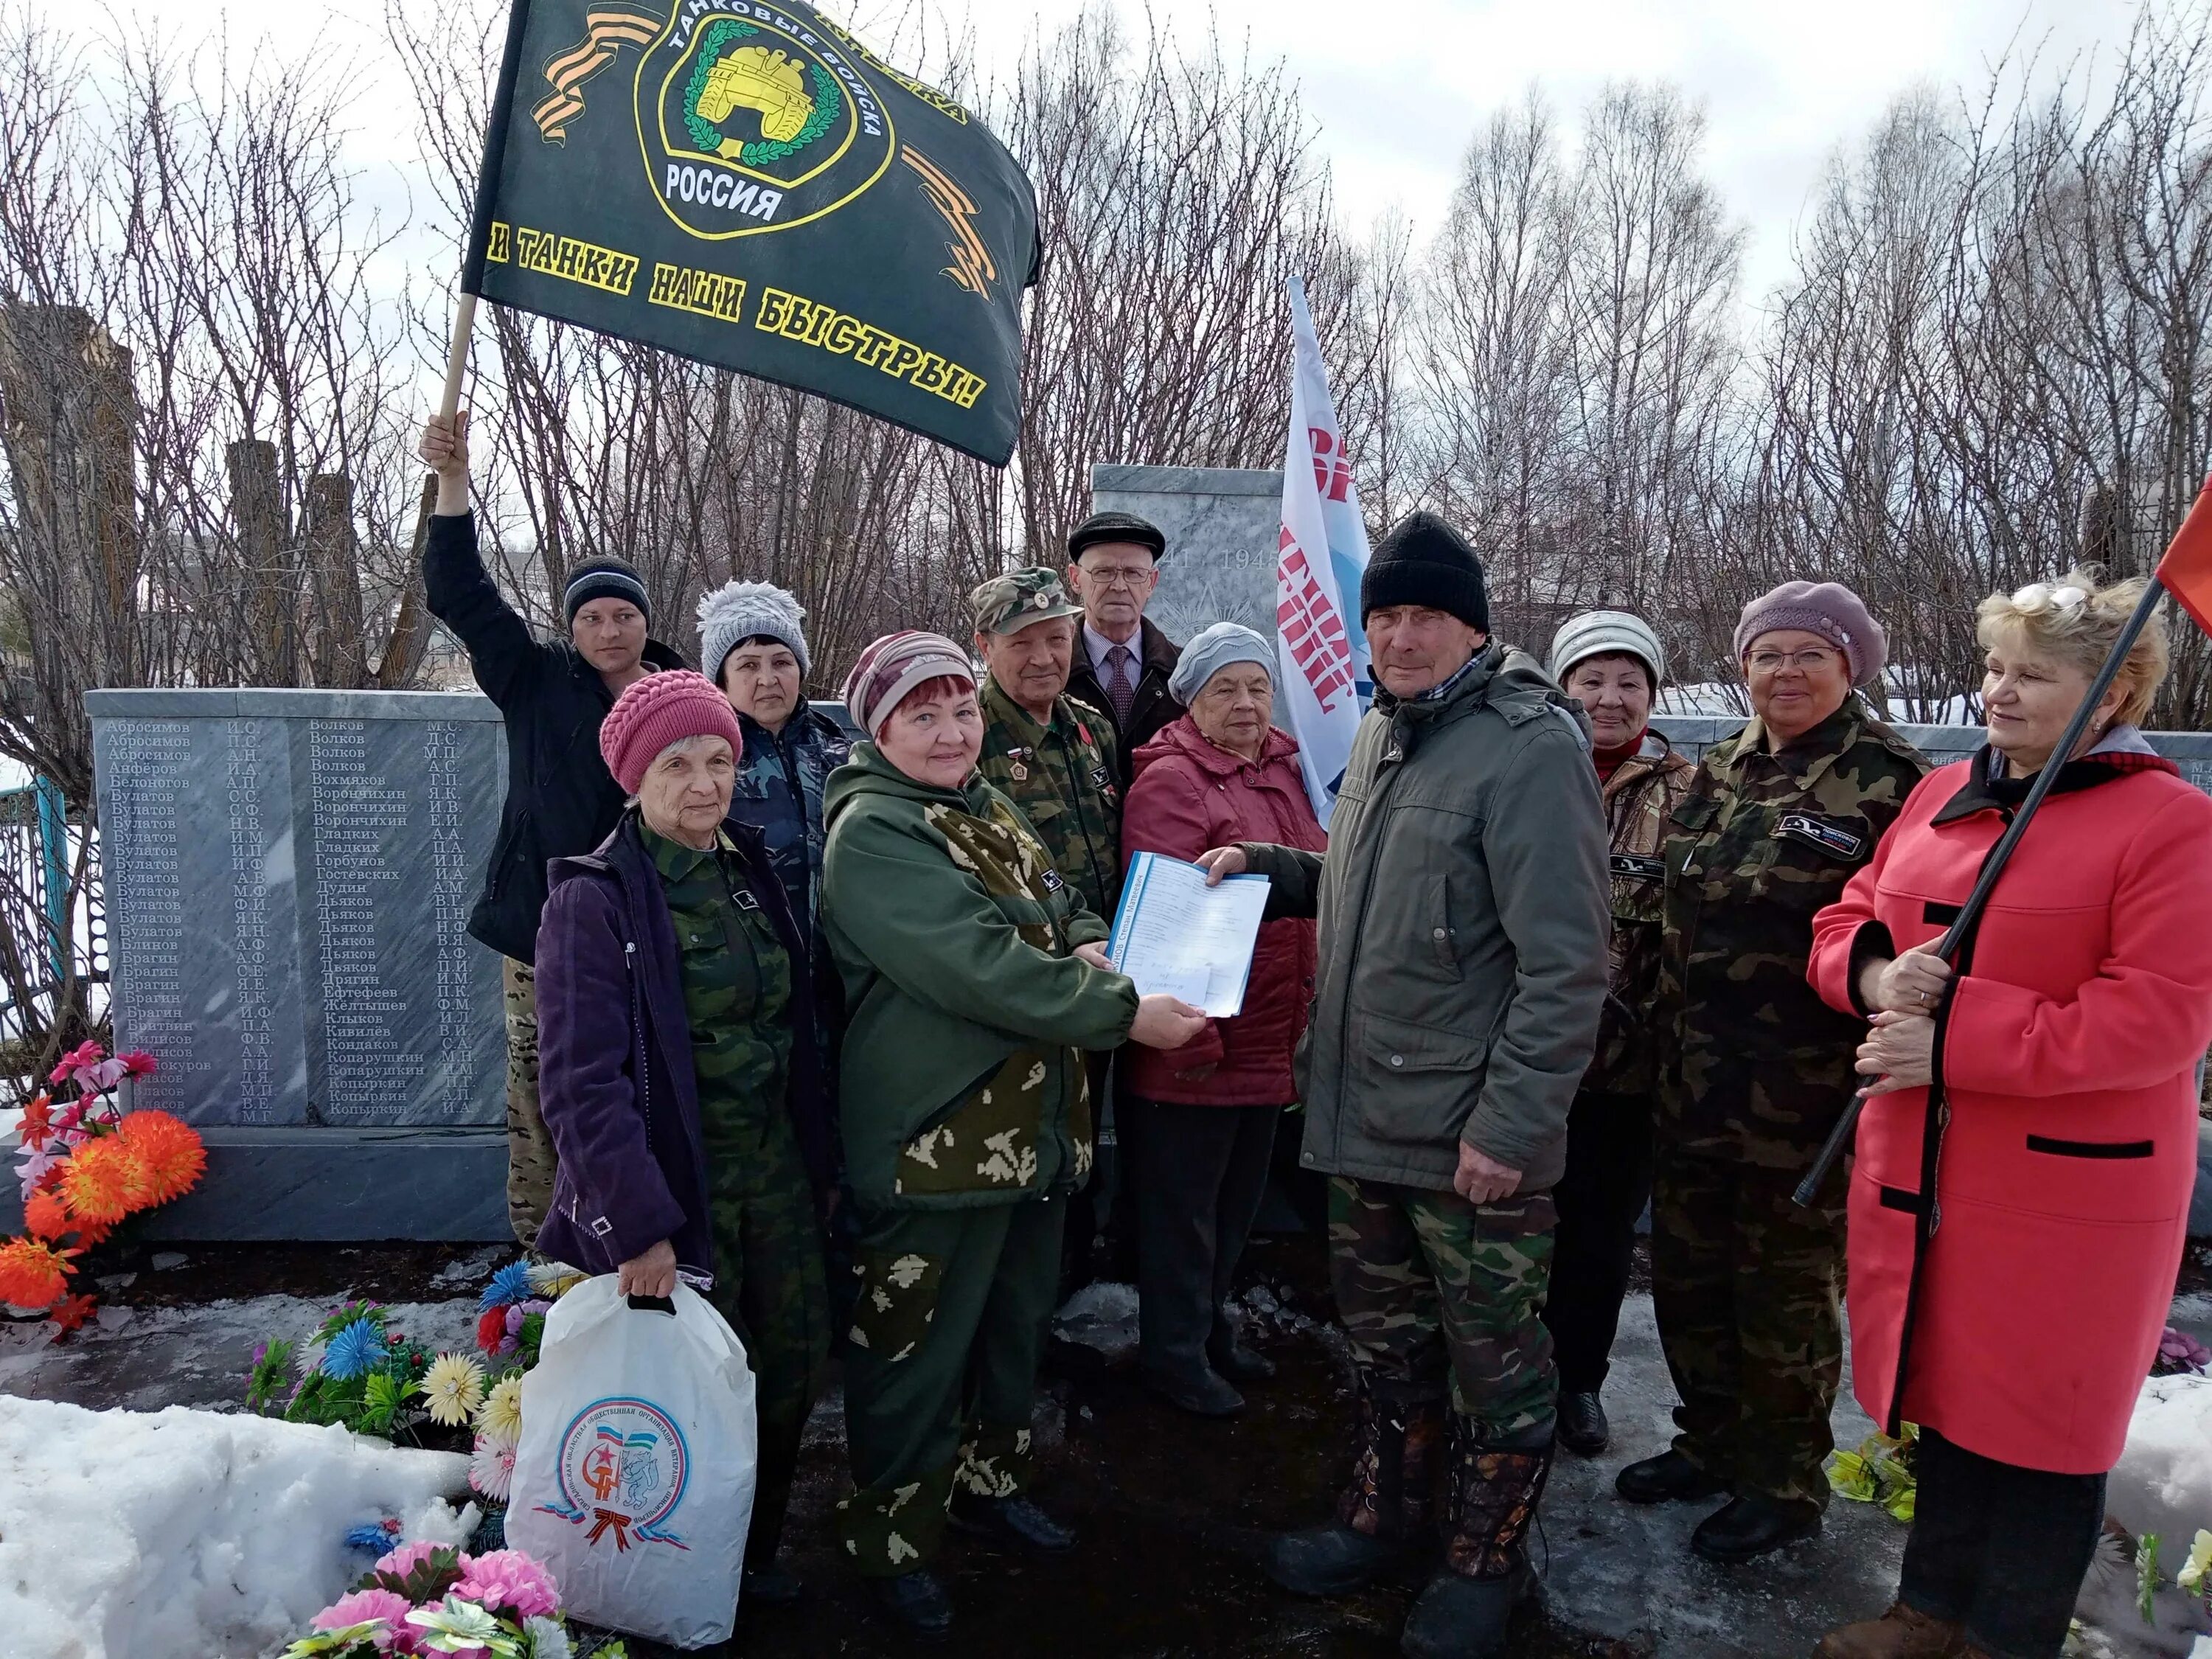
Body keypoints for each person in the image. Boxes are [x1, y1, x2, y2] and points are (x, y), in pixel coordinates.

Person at [1198, 512, 1610, 1659]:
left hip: (1470, 1136)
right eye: (1383, 615)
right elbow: (1380, 881)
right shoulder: (1390, 731)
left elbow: (1567, 962)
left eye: (1425, 613)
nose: (1400, 634)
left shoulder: (1529, 745)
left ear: (1473, 625)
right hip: (1363, 1115)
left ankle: (1483, 1563)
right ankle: (1387, 1517)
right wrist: (1277, 870)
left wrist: (1512, 1128)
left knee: (1497, 1359)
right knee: (1386, 1345)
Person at [1806, 574, 2212, 1659]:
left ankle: (2005, 1636)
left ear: (2115, 689)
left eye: (2034, 674)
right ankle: (1927, 1611)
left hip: (2066, 1192)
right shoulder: (1940, 792)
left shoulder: (2171, 822)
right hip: (1926, 1173)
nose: (1998, 691)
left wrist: (1956, 1038)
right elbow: (1846, 915)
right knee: (1950, 1402)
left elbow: (2160, 1017)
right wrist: (1881, 977)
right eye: (1994, 667)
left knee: (2044, 1430)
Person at [820, 631, 1207, 1638]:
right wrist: (1123, 1008)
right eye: (924, 714)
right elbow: (980, 965)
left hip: (1029, 1136)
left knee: (1011, 1333)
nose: (952, 731)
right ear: (880, 727)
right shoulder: (874, 832)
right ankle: (891, 1540)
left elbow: (1056, 898)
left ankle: (990, 1483)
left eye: (960, 710)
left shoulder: (979, 803)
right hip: (934, 1146)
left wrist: (1088, 931)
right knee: (913, 1355)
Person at [1618, 580, 1928, 1565]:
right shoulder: (1712, 769)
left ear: (1848, 666)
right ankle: (1707, 1442)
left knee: (1783, 1294)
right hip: (1689, 1079)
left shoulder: (1893, 783)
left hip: (1805, 1096)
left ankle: (1784, 1482)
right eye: (1766, 655)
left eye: (1808, 654)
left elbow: (1904, 930)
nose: (1784, 672)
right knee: (1689, 1275)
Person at [532, 670, 834, 1608]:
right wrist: (636, 1225)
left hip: (773, 1171)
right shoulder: (596, 901)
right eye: (677, 765)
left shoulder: (746, 867)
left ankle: (747, 1553)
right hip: (680, 1187)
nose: (705, 784)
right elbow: (581, 1085)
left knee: (784, 1365)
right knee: (680, 1395)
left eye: (718, 760)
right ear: (632, 780)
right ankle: (673, 1565)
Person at [417, 413, 687, 1248]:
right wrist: (455, 486)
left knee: (651, 1086)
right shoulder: (534, 681)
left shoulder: (683, 692)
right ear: (572, 627)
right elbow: (460, 593)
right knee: (546, 1088)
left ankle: (652, 1234)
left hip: (663, 925)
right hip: (546, 929)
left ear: (645, 620)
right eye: (593, 617)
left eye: (623, 615)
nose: (610, 630)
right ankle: (545, 1251)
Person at [1119, 623, 1327, 1418]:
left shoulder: (1289, 767)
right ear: (1192, 701)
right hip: (1197, 1043)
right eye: (1224, 690)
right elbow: (1166, 919)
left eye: (1256, 687)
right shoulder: (1171, 782)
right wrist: (1196, 1041)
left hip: (1272, 1039)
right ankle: (1172, 1354)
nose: (1245, 704)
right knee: (1184, 1219)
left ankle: (1210, 1331)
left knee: (1235, 1208)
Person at [1539, 611, 1697, 1458]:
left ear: (1653, 695)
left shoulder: (1691, 792)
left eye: (1628, 681)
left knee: (1598, 1235)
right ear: (1563, 689)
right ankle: (1503, 1376)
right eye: (1591, 680)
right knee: (1512, 1226)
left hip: (1625, 1068)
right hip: (1521, 1062)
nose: (1609, 697)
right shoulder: (1527, 771)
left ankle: (1577, 1383)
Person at [970, 568, 1124, 923]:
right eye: (1021, 643)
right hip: (1036, 959)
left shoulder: (1094, 730)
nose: (1043, 659)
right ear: (985, 647)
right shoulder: (969, 741)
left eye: (1056, 639)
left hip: (1110, 950)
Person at [1062, 511, 1184, 785]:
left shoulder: (1184, 672)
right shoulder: (1051, 673)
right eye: (1103, 572)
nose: (1119, 586)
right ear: (1075, 578)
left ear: (1151, 582)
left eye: (1134, 573)